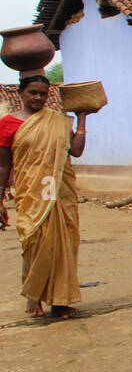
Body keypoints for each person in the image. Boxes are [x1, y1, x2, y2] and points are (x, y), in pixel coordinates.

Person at [0, 72, 86, 318]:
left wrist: (81, 119)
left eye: (43, 94)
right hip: (31, 194)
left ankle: (61, 300)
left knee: (64, 243)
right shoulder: (8, 124)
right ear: (20, 94)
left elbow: (77, 151)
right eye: (32, 93)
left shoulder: (57, 121)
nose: (38, 98)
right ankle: (34, 294)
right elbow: (3, 165)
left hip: (60, 192)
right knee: (34, 241)